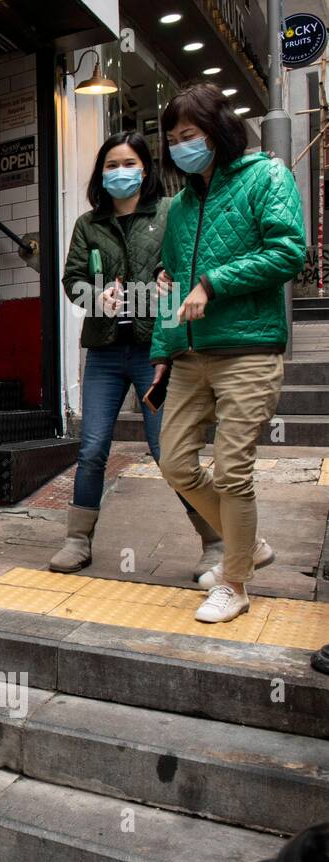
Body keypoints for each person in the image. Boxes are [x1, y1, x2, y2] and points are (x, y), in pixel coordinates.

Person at [151, 84, 305, 624]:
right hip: (192, 354)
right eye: (172, 139)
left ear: (218, 129)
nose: (179, 147)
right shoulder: (180, 205)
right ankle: (249, 543)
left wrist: (212, 282)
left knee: (233, 469)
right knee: (173, 463)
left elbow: (289, 250)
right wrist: (162, 353)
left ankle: (234, 582)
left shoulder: (268, 176)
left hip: (249, 347)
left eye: (188, 135)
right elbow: (170, 285)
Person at [52, 132, 223, 576]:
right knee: (91, 449)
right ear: (100, 172)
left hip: (157, 352)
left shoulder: (170, 212)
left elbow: (192, 260)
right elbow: (71, 280)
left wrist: (172, 279)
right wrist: (94, 295)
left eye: (128, 163)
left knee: (168, 449)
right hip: (105, 353)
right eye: (111, 165)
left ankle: (216, 541)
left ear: (145, 169)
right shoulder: (89, 224)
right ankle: (77, 541)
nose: (119, 172)